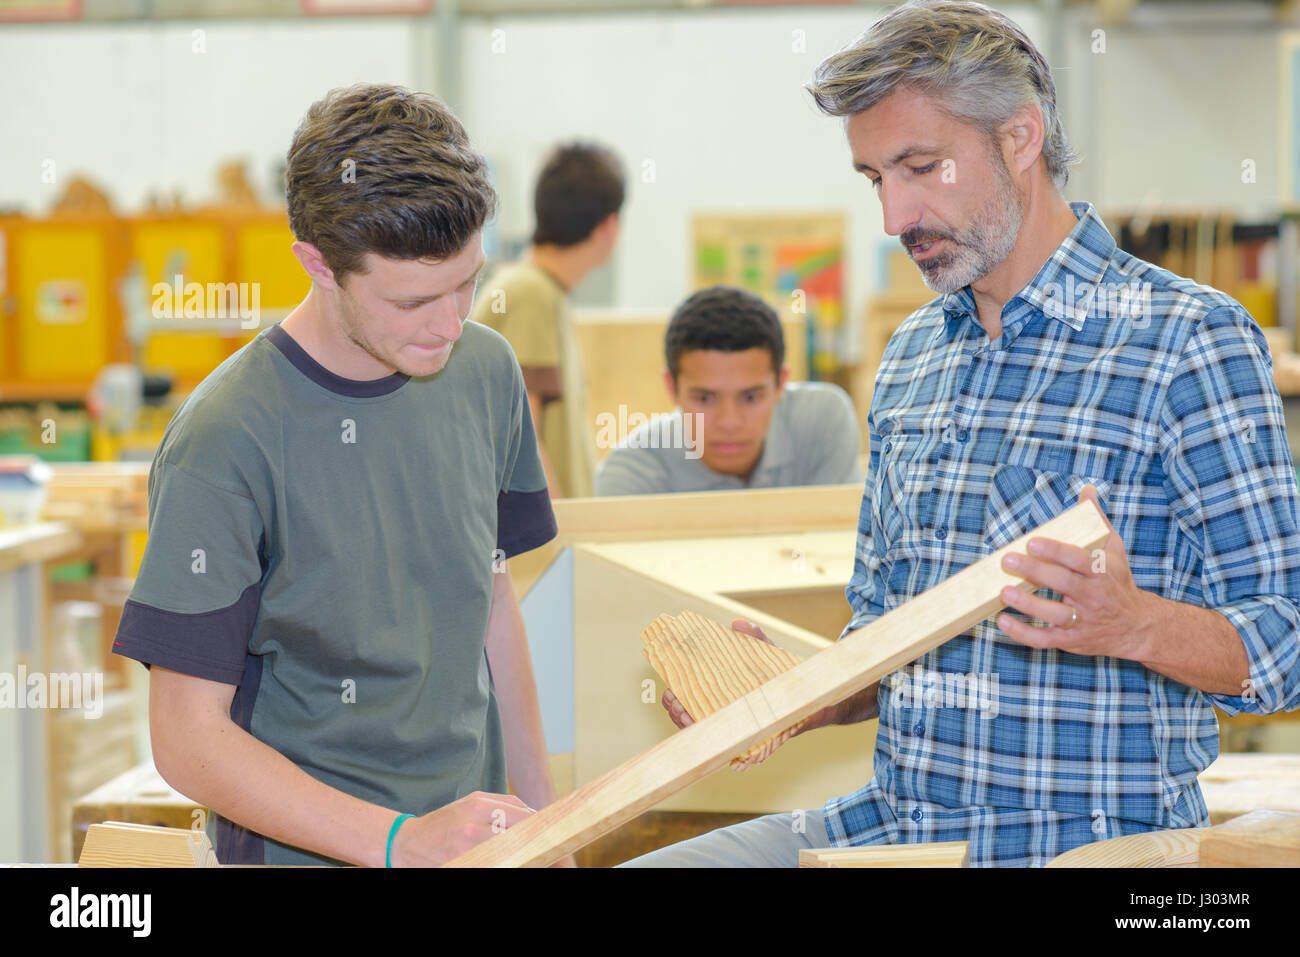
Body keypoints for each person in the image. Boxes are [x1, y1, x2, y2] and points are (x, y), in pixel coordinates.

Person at [624, 0, 1300, 867]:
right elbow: (883, 628)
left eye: (920, 167)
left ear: (1020, 138)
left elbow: (1284, 643)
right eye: (874, 178)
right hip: (892, 828)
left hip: (1086, 849)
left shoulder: (1185, 340)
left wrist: (1133, 625)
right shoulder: (911, 358)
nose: (894, 217)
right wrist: (799, 693)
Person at [112, 83, 571, 867]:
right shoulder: (225, 439)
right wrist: (400, 841)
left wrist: (549, 826)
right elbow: (186, 738)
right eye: (413, 298)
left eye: (467, 282)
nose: (450, 323)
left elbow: (491, 605)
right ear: (317, 264)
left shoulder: (486, 372)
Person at [593, 284, 861, 495]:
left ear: (781, 383)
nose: (729, 422)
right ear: (671, 388)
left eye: (751, 397)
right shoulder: (630, 478)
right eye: (705, 398)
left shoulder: (824, 422)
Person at [469, 142, 624, 499]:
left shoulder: (539, 290)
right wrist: (558, 534)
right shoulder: (530, 294)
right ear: (609, 226)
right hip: (545, 543)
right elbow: (523, 438)